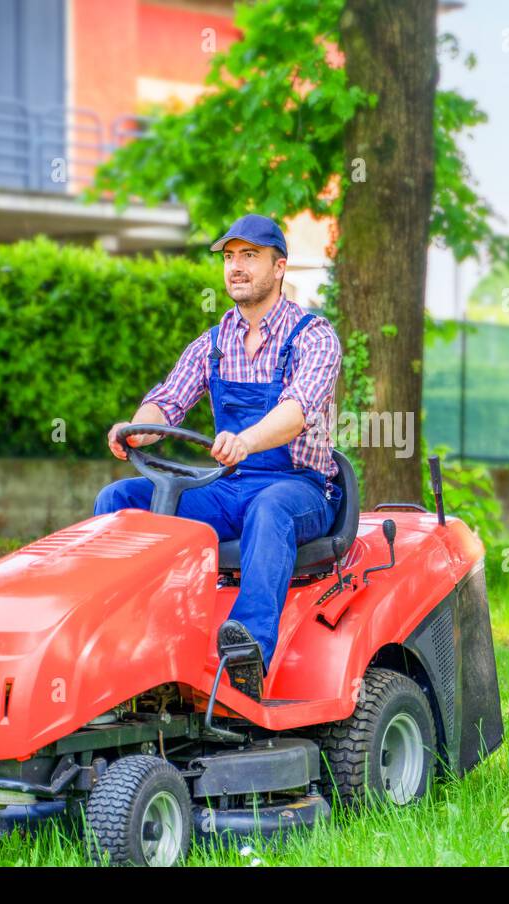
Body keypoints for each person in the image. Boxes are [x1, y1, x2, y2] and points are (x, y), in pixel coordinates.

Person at [94, 214, 342, 702]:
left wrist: (247, 440)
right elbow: (166, 400)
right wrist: (136, 430)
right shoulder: (213, 342)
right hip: (229, 487)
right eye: (229, 257)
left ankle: (247, 651)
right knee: (120, 499)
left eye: (249, 256)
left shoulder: (313, 336)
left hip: (302, 488)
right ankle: (126, 643)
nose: (236, 267)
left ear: (280, 267)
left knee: (270, 510)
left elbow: (296, 412)